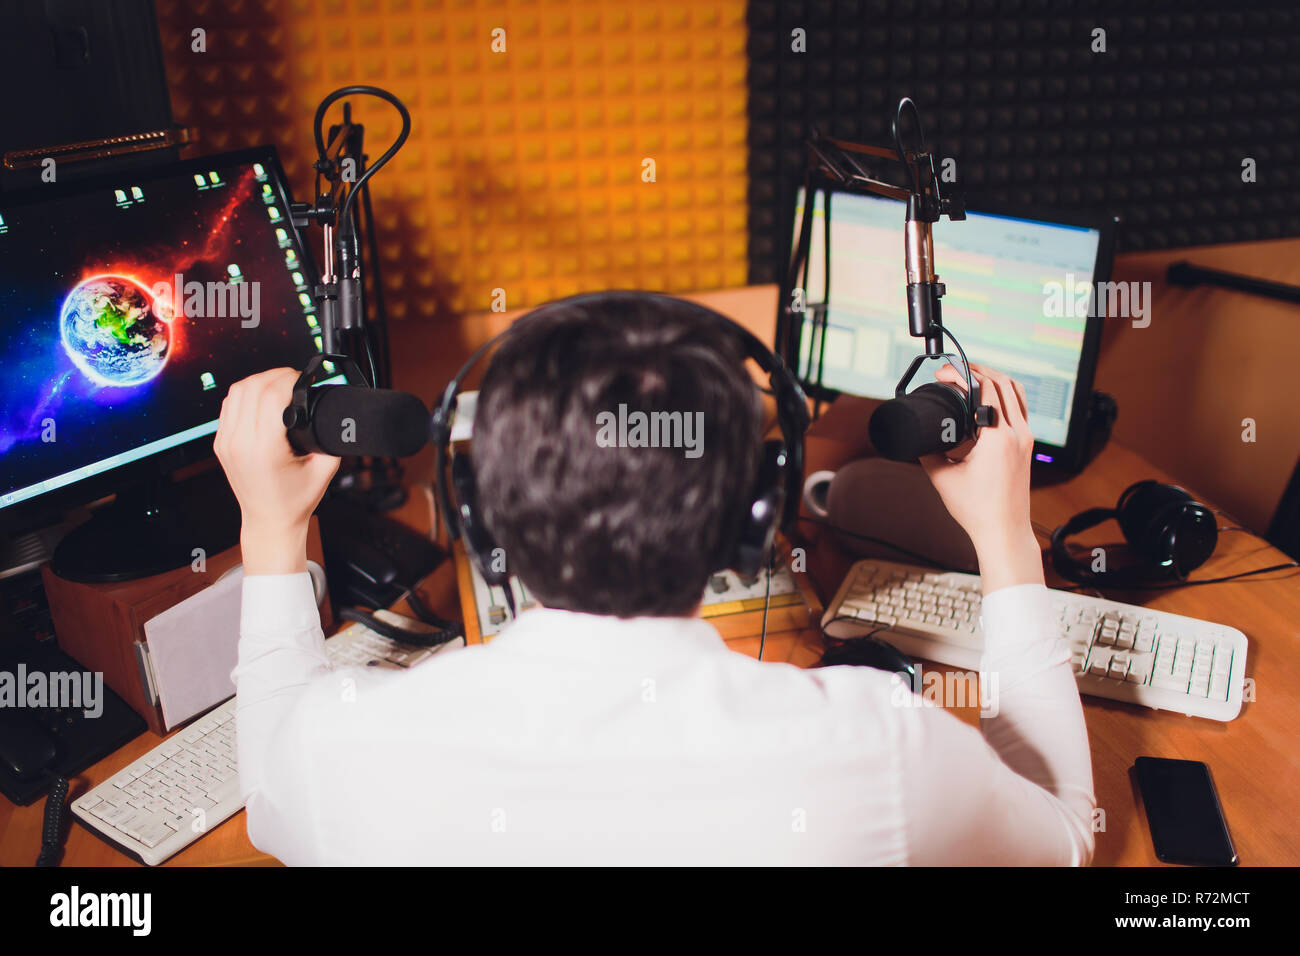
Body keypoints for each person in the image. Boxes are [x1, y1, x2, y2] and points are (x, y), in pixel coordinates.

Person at [215, 294, 1094, 865]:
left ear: (480, 515)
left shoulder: (347, 748)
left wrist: (273, 528)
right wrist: (1004, 538)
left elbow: (266, 800)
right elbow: (1065, 834)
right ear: (754, 520)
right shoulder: (883, 748)